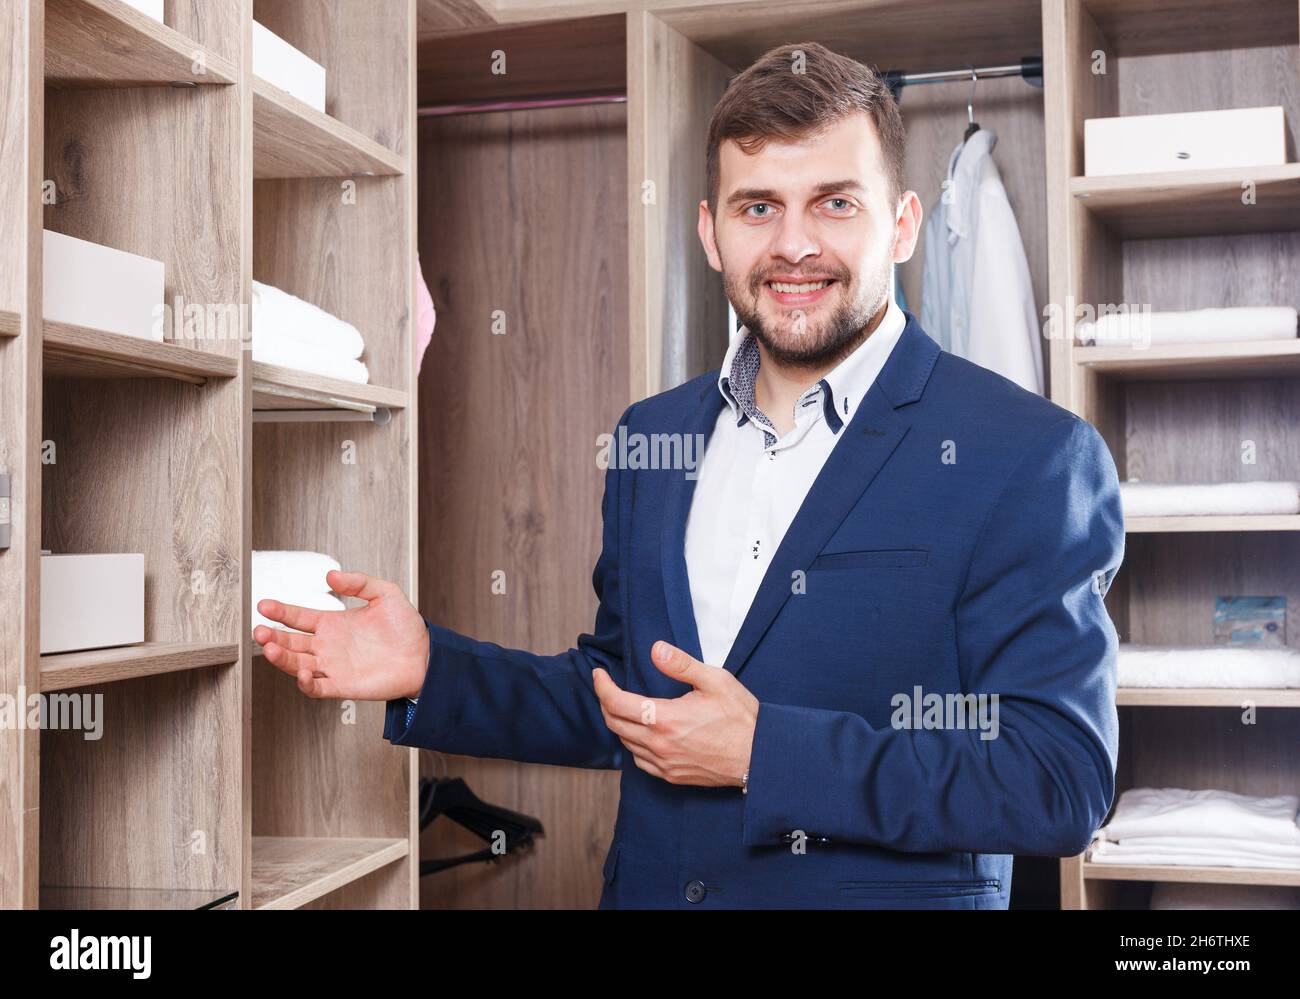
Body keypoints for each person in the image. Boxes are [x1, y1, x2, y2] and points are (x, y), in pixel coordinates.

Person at [254, 41, 1123, 909]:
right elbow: (626, 696)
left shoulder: (1029, 456)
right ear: (711, 232)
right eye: (758, 208)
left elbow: (1059, 778)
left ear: (900, 223)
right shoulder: (653, 436)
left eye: (833, 203)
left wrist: (765, 754)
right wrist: (431, 667)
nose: (793, 245)